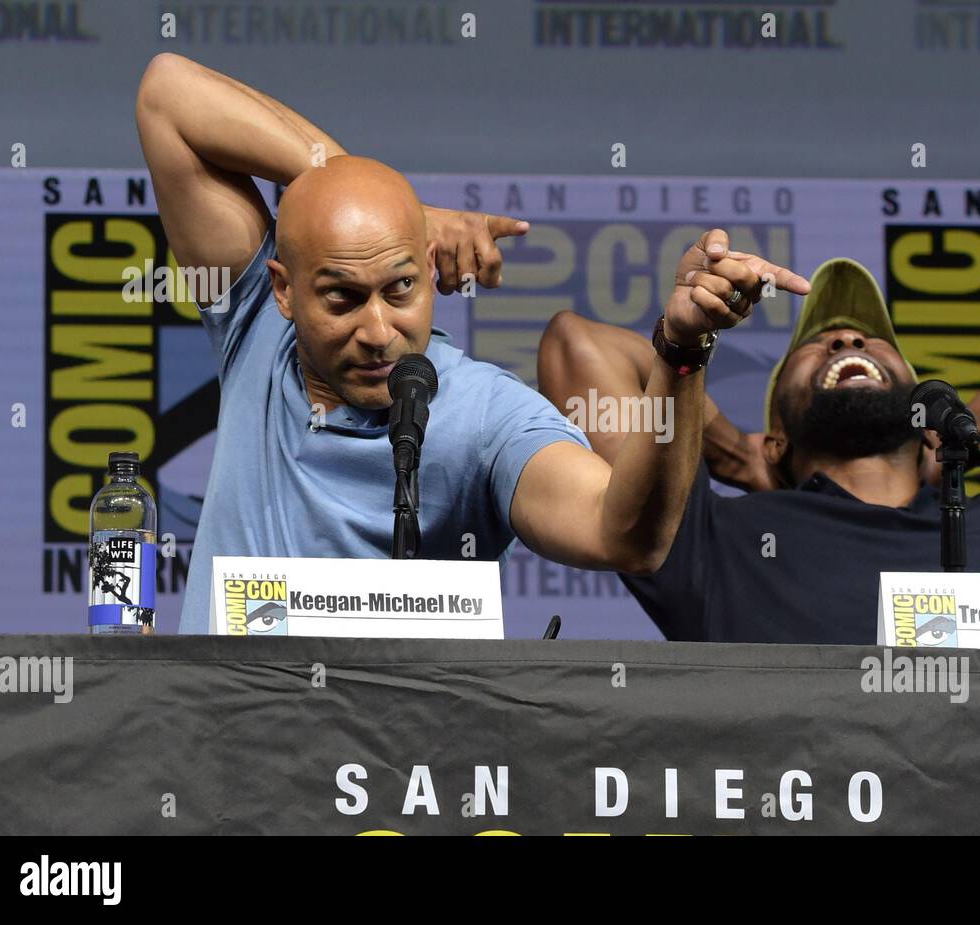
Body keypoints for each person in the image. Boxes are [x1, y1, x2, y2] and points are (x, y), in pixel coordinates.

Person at [134, 53, 810, 633]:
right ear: (284, 291)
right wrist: (383, 197)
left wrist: (681, 351)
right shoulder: (255, 325)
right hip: (222, 761)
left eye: (400, 288)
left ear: (430, 273)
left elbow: (627, 535)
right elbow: (169, 93)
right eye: (341, 296)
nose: (377, 331)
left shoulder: (485, 415)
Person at [538, 257, 980, 644]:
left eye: (871, 339)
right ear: (777, 437)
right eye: (815, 346)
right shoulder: (712, 537)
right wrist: (739, 457)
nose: (847, 337)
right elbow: (577, 346)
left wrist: (956, 435)